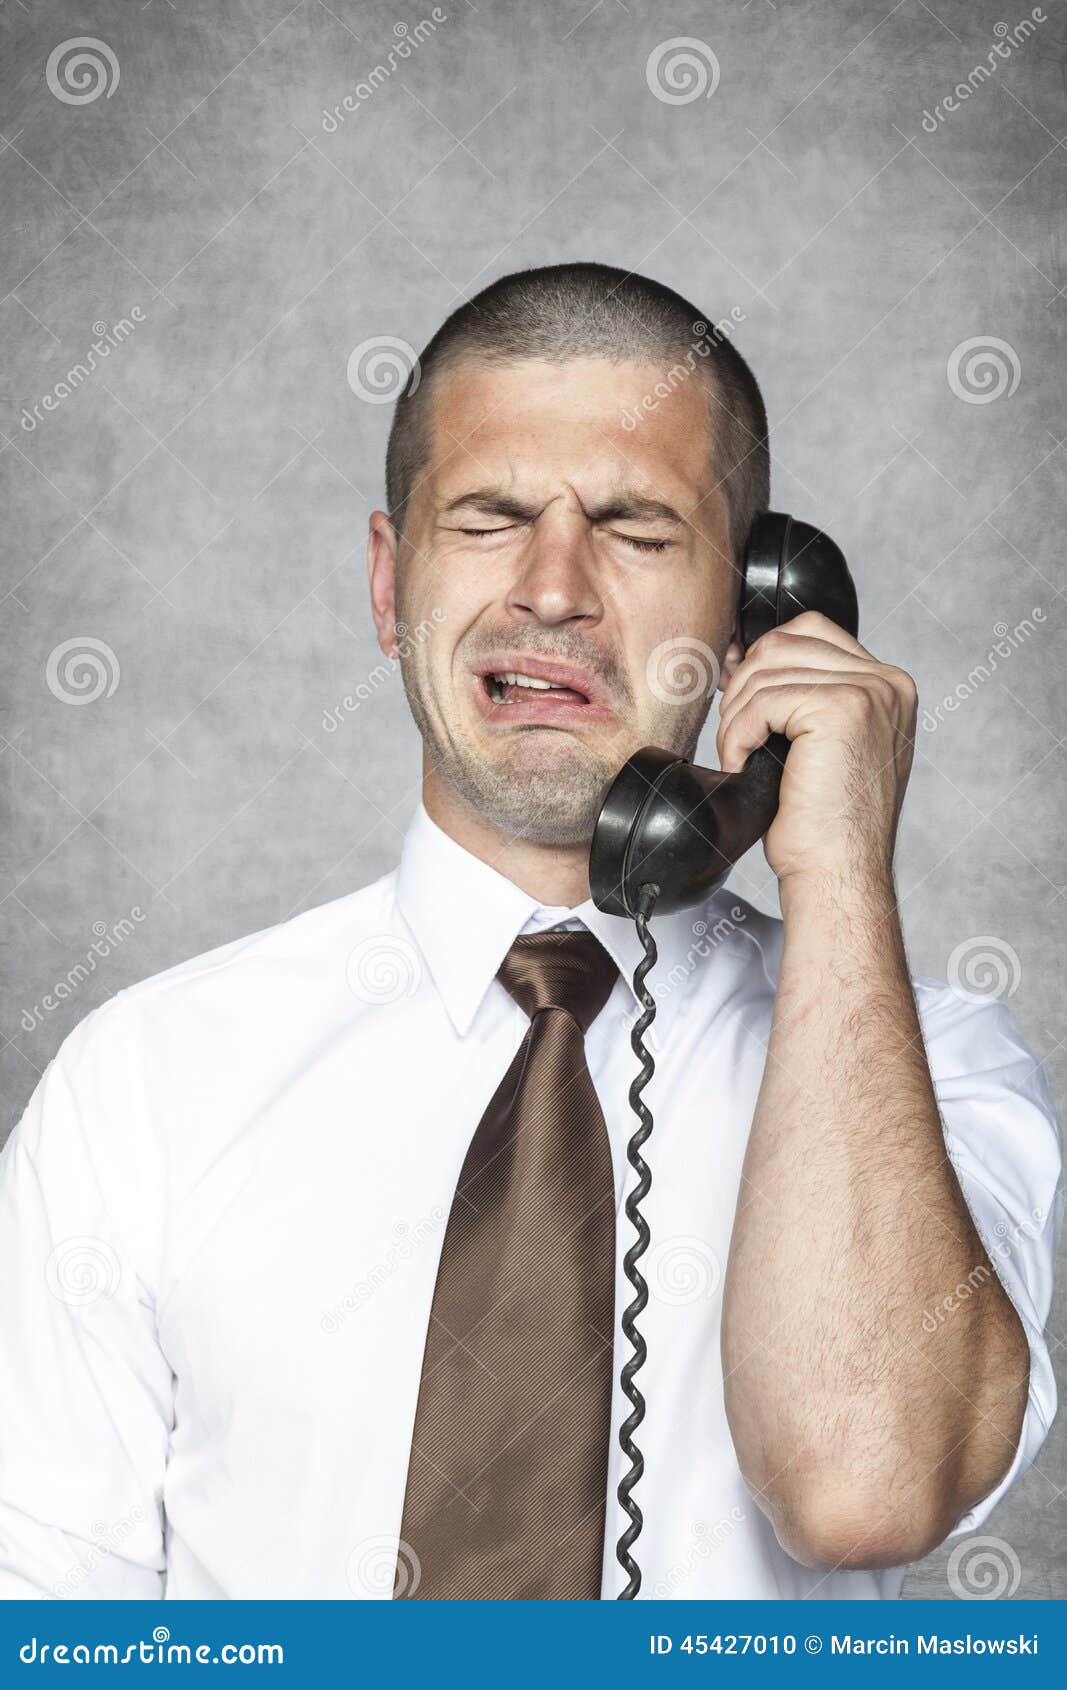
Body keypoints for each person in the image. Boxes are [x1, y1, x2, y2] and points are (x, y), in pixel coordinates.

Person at [0, 264, 1059, 1601]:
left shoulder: (942, 1074)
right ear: (391, 587)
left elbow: (864, 1482)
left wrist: (839, 863)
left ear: (755, 612)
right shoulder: (140, 1088)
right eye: (492, 519)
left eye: (637, 528)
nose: (554, 588)